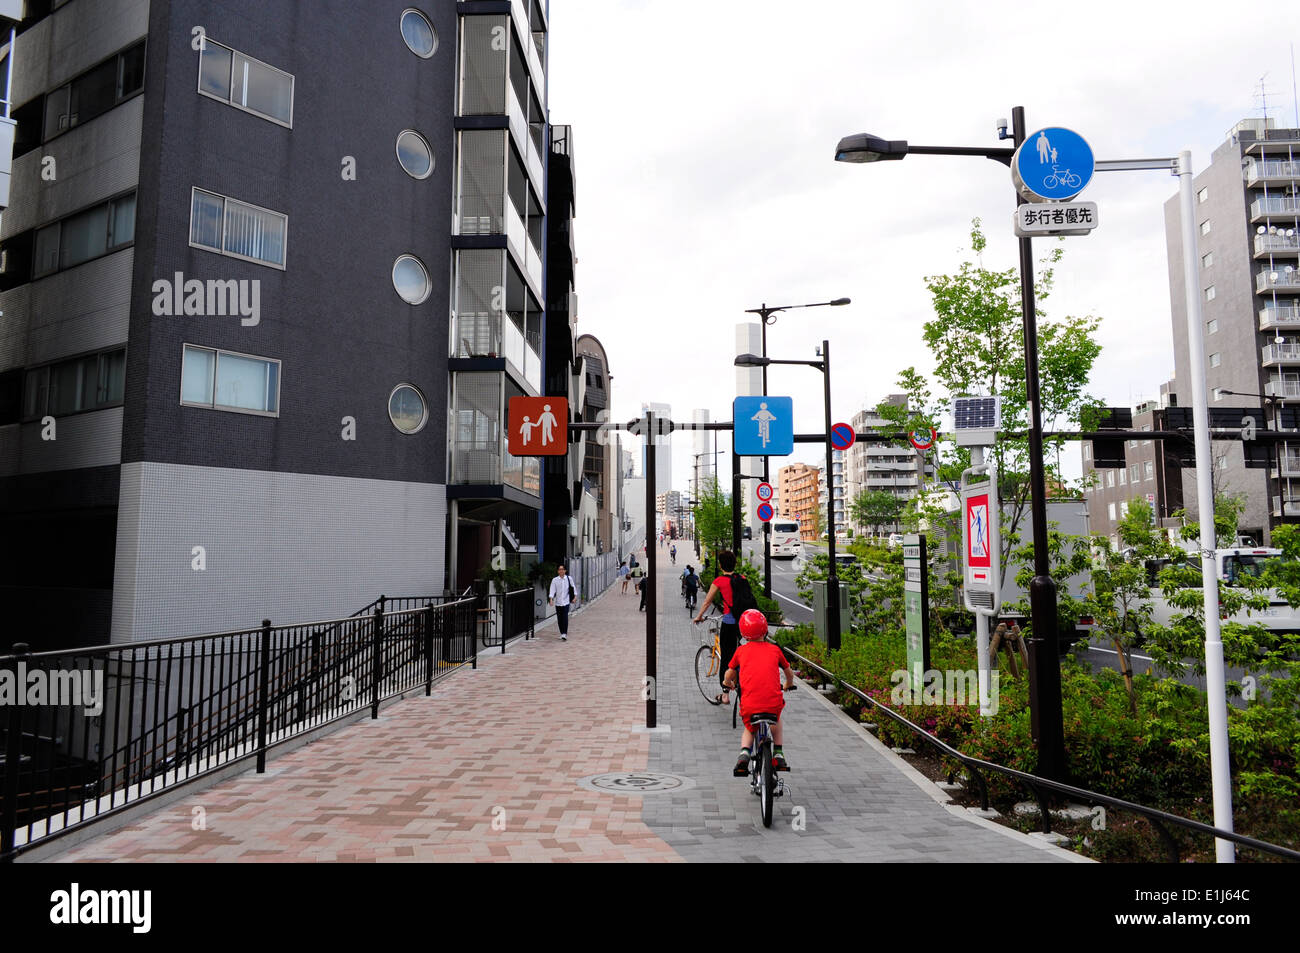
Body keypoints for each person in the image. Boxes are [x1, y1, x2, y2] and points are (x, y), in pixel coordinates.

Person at [723, 609, 794, 775]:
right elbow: (789, 672)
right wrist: (788, 684)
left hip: (750, 704)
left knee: (750, 727)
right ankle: (778, 752)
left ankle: (744, 754)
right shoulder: (775, 650)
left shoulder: (741, 651)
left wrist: (727, 683)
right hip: (773, 703)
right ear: (765, 629)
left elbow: (729, 673)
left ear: (743, 633)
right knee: (776, 720)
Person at [692, 550, 741, 705]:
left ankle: (725, 693)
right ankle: (741, 679)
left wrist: (699, 616)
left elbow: (707, 602)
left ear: (720, 566)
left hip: (729, 622)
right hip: (742, 623)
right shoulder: (742, 578)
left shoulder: (719, 581)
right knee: (738, 652)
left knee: (726, 657)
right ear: (735, 564)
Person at [547, 563, 578, 641]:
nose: (561, 571)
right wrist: (551, 599)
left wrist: (575, 597)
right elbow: (552, 590)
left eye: (562, 569)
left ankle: (564, 633)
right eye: (559, 569)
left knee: (565, 617)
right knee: (559, 619)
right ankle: (562, 633)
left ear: (565, 570)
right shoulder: (555, 580)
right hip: (558, 602)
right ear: (558, 571)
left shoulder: (569, 578)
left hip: (566, 602)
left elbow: (573, 588)